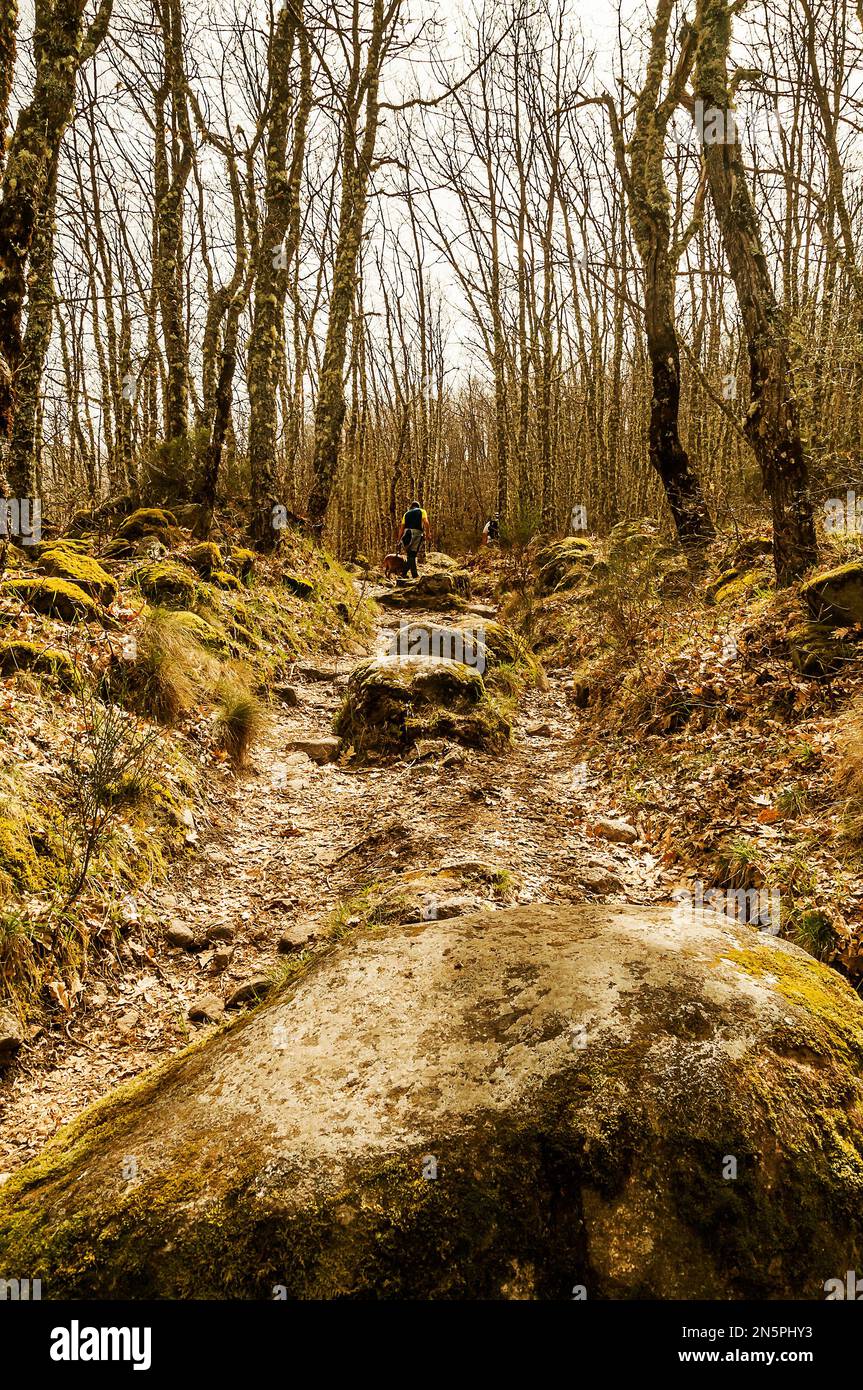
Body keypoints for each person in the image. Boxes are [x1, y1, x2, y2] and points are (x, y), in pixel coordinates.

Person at [397, 499, 431, 579]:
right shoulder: (422, 511)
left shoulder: (406, 514)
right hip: (416, 533)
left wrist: (399, 539)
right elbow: (426, 522)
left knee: (410, 555)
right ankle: (414, 575)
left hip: (406, 534)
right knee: (413, 554)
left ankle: (405, 573)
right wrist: (428, 533)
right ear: (418, 506)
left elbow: (401, 528)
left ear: (411, 507)